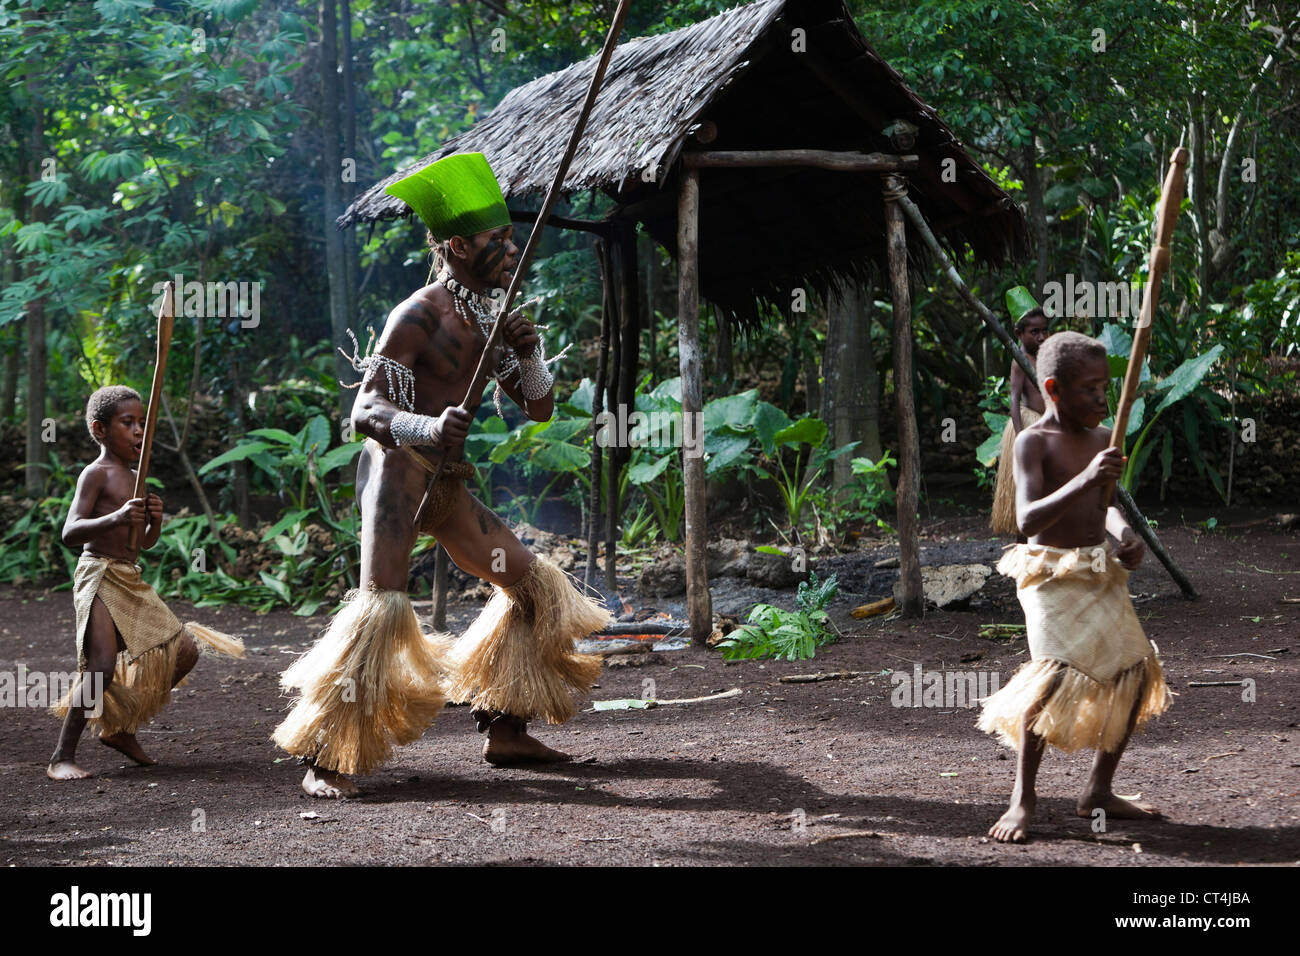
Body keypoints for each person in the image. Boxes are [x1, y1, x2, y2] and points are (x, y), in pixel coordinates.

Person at [273, 152, 609, 799]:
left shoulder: (490, 318)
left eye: (511, 237)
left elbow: (539, 408)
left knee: (533, 587)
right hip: (397, 477)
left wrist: (528, 348)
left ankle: (505, 729)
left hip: (446, 484)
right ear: (457, 245)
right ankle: (326, 757)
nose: (510, 250)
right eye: (496, 241)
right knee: (381, 611)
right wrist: (425, 428)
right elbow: (366, 411)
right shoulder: (419, 315)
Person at [977, 331, 1170, 843]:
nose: (1102, 399)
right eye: (1089, 390)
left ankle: (1098, 790)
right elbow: (1029, 517)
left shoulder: (1104, 436)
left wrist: (1124, 534)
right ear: (1054, 389)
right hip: (1047, 573)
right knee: (1051, 679)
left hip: (1098, 570)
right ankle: (1023, 797)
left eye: (1106, 389)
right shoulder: (1032, 442)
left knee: (1134, 671)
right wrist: (1084, 478)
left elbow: (1104, 503)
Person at [47, 386, 244, 780]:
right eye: (128, 423)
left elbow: (142, 546)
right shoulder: (96, 474)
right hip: (99, 573)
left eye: (141, 423)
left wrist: (154, 521)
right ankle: (61, 756)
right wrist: (115, 518)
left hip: (128, 577)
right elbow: (71, 532)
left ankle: (122, 728)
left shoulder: (138, 479)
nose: (138, 431)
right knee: (101, 666)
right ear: (99, 429)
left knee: (185, 650)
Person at [990, 287, 1049, 539]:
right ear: (1019, 333)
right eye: (1034, 332)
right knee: (1024, 489)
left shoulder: (1048, 355)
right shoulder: (1019, 360)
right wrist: (1019, 435)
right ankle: (1022, 543)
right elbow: (1014, 397)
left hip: (1048, 426)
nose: (1041, 336)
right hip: (1027, 424)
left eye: (1044, 330)